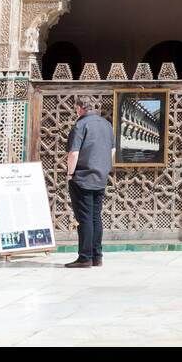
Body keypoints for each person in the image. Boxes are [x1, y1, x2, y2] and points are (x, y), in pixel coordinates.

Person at [65, 101, 114, 268]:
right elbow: (112, 151)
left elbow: (74, 153)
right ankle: (97, 256)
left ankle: (85, 257)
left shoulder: (80, 125)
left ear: (80, 108)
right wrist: (105, 168)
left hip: (83, 177)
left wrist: (70, 173)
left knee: (85, 218)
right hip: (100, 177)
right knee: (95, 217)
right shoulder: (107, 125)